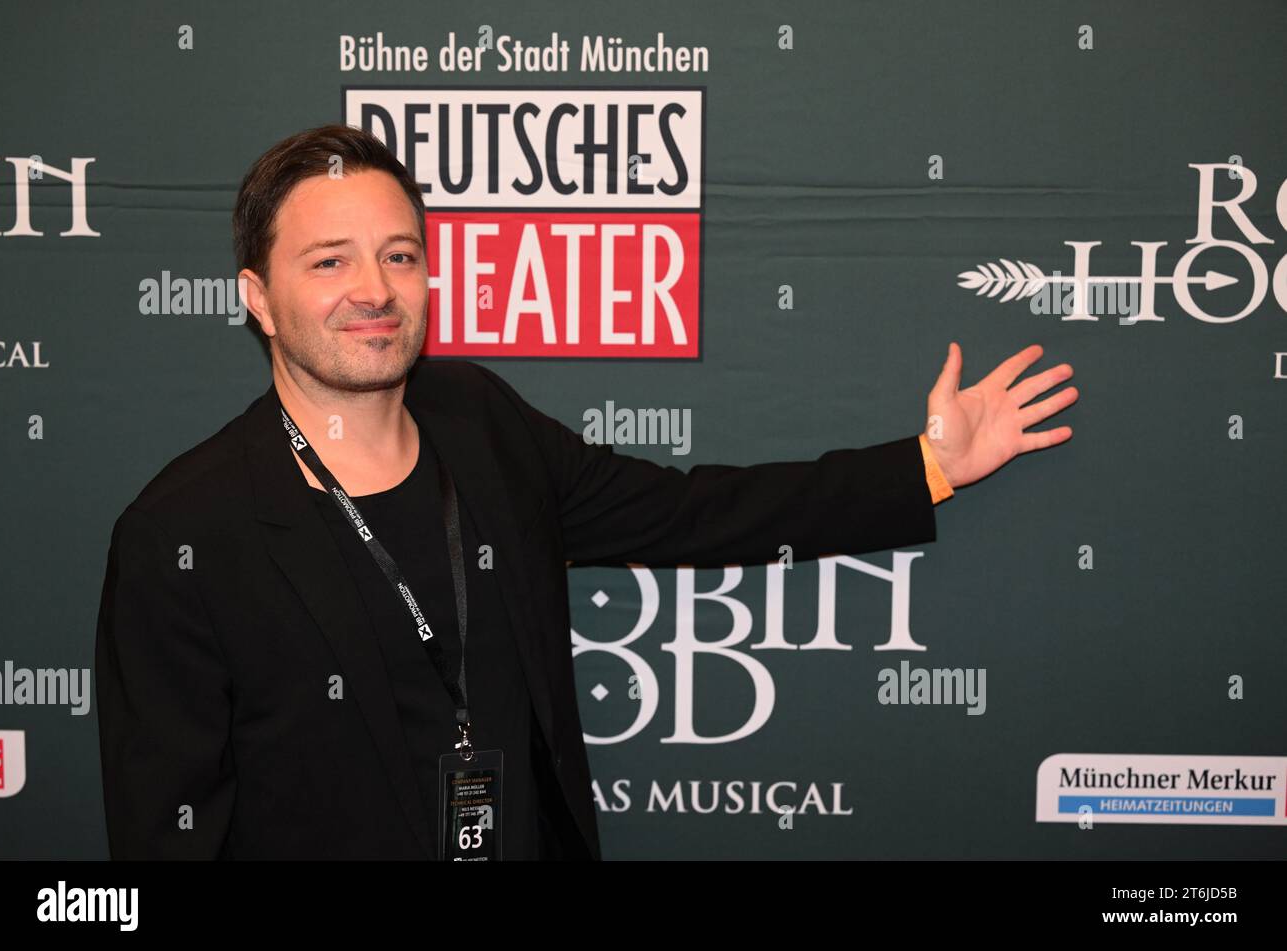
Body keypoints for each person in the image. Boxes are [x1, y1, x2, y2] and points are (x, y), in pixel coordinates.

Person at [94, 124, 1078, 860]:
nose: (375, 288)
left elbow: (691, 512)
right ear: (257, 298)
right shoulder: (183, 532)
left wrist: (928, 465)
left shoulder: (478, 421)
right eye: (328, 261)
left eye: (399, 255)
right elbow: (167, 833)